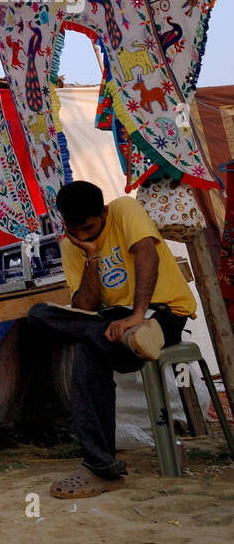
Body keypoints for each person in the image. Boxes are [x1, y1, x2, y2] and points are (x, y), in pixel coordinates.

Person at [26, 180, 197, 499]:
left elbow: (148, 255)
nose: (84, 234)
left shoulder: (123, 209)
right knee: (38, 315)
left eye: (90, 227)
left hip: (161, 315)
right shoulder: (73, 243)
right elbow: (85, 307)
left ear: (103, 212)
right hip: (114, 327)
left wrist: (138, 314)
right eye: (76, 229)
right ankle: (103, 468)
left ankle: (99, 466)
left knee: (85, 348)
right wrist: (91, 256)